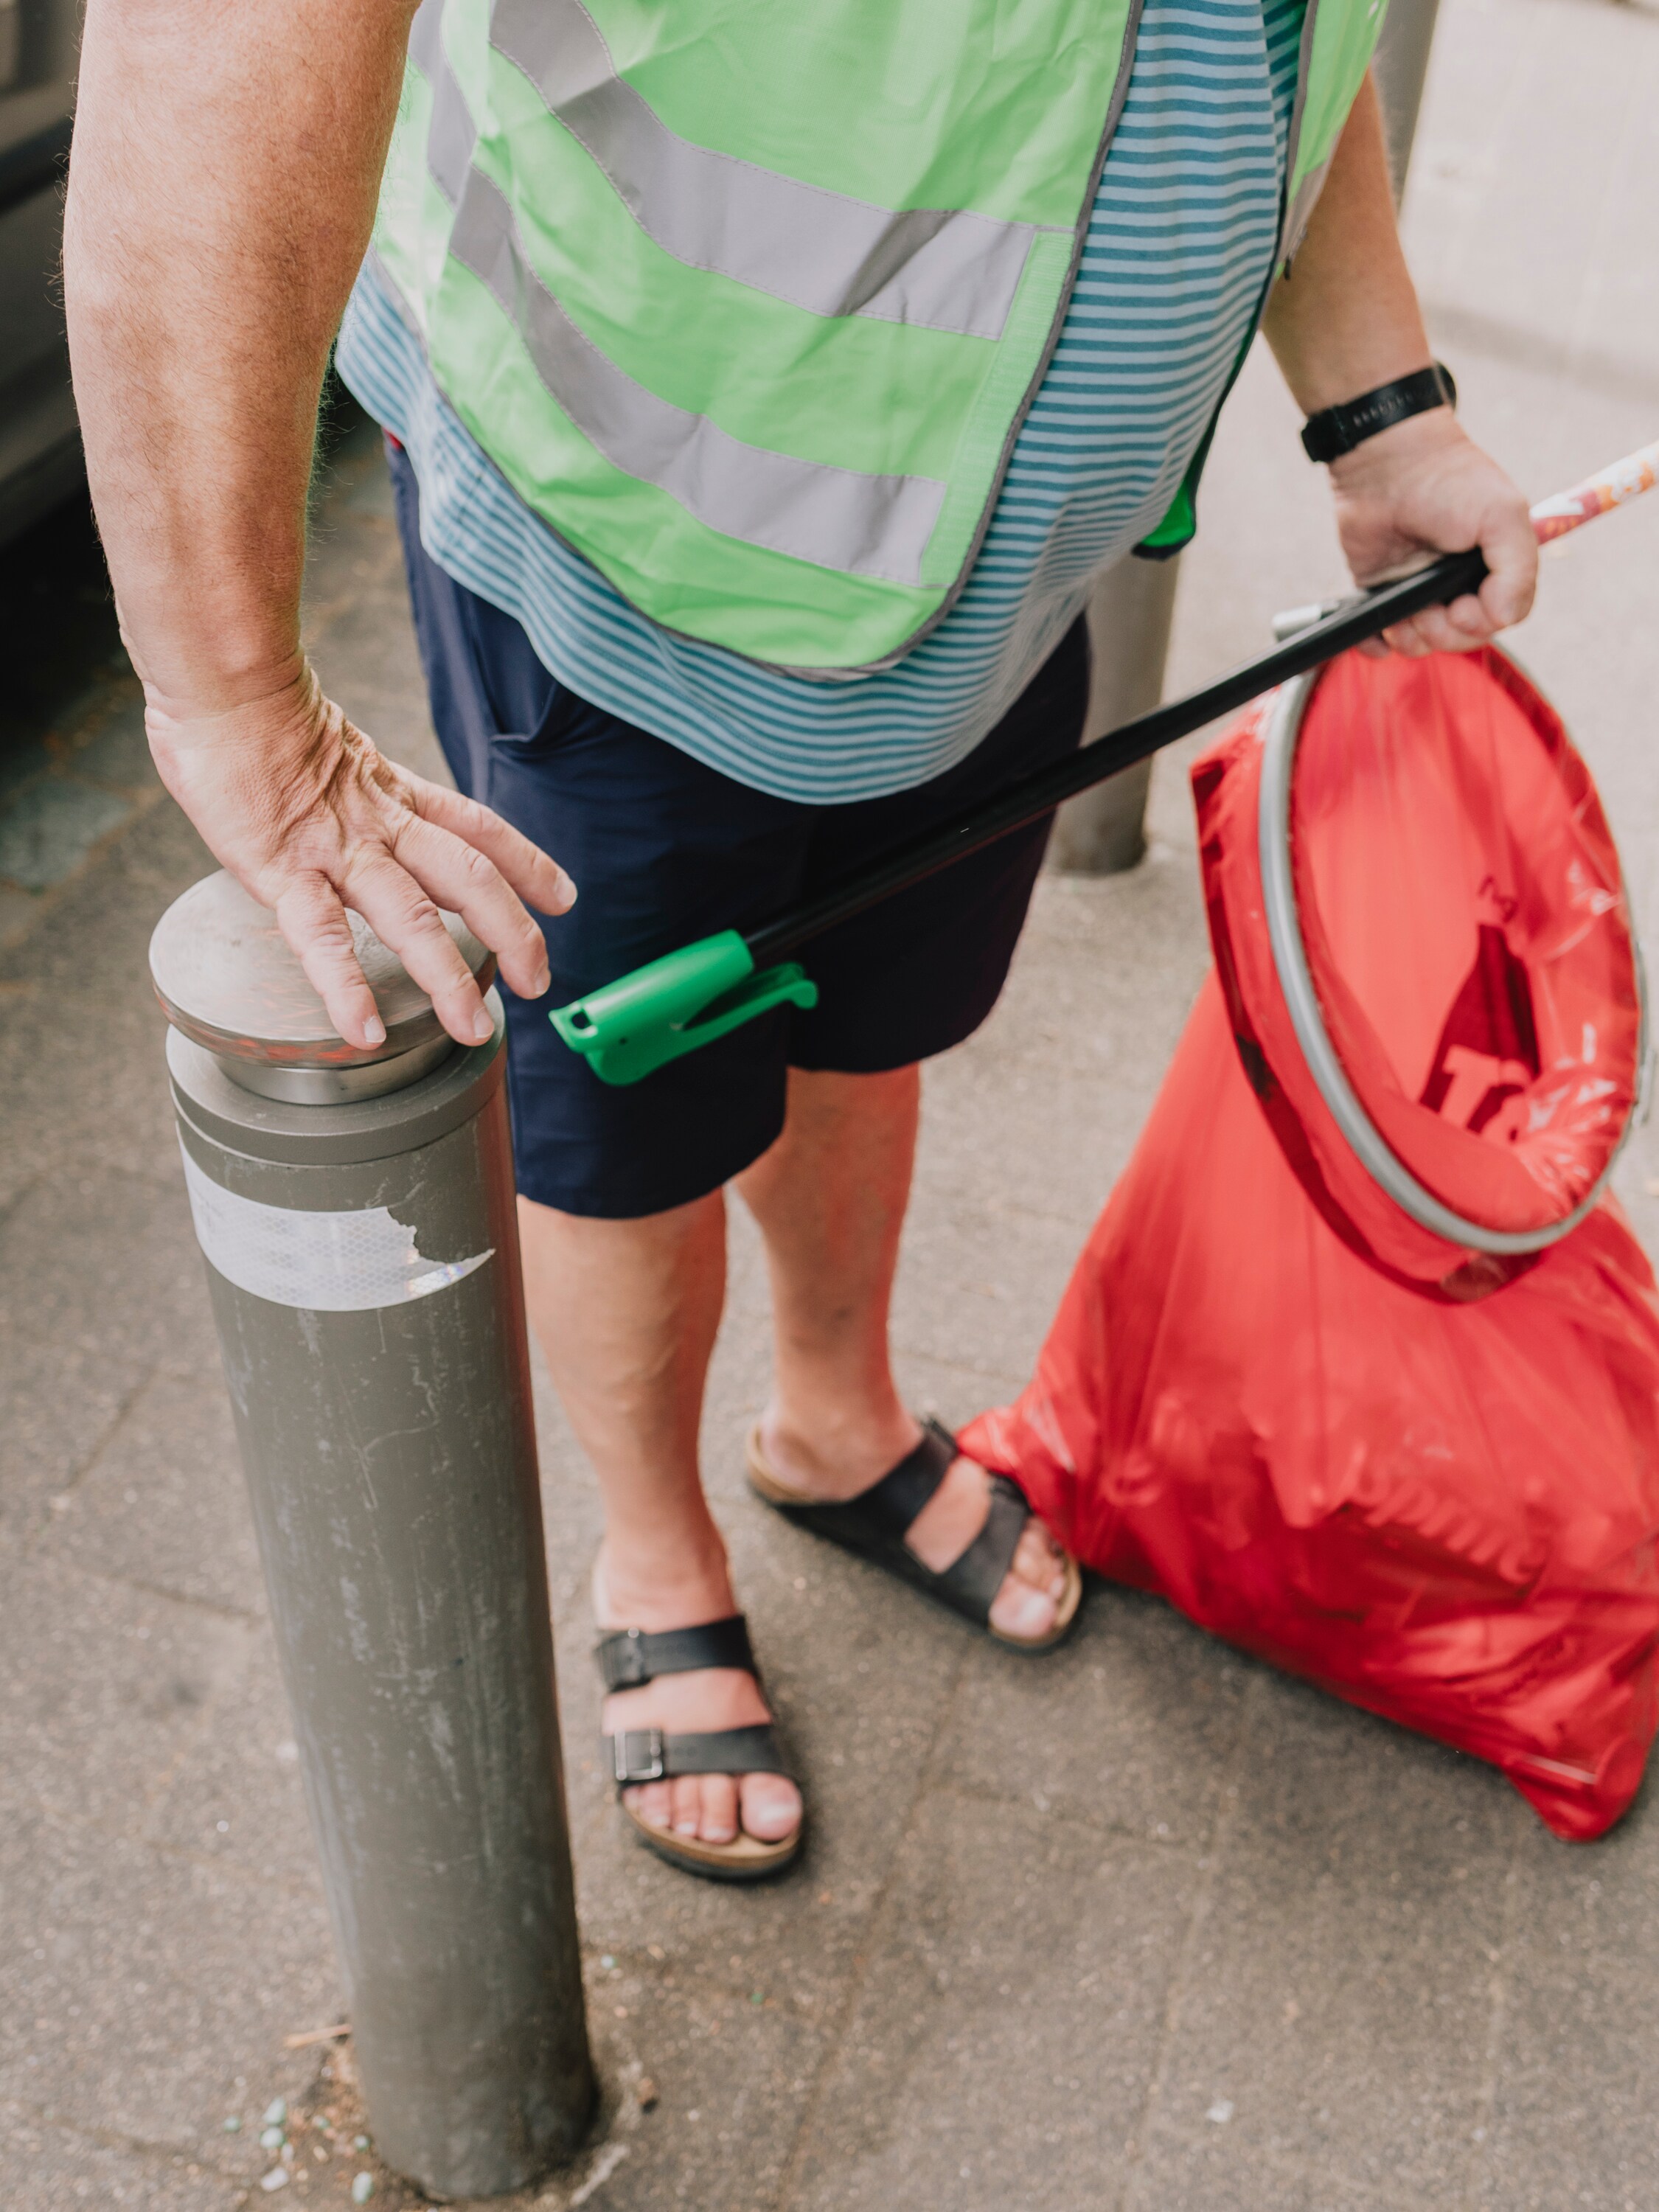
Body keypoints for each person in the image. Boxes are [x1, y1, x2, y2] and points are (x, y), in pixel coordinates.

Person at [66, 0, 1537, 1881]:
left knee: (868, 1017)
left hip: (995, 575)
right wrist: (236, 701)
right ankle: (656, 1544)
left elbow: (1270, 41)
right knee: (637, 1110)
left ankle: (836, 1425)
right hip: (628, 546)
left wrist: (1382, 407)